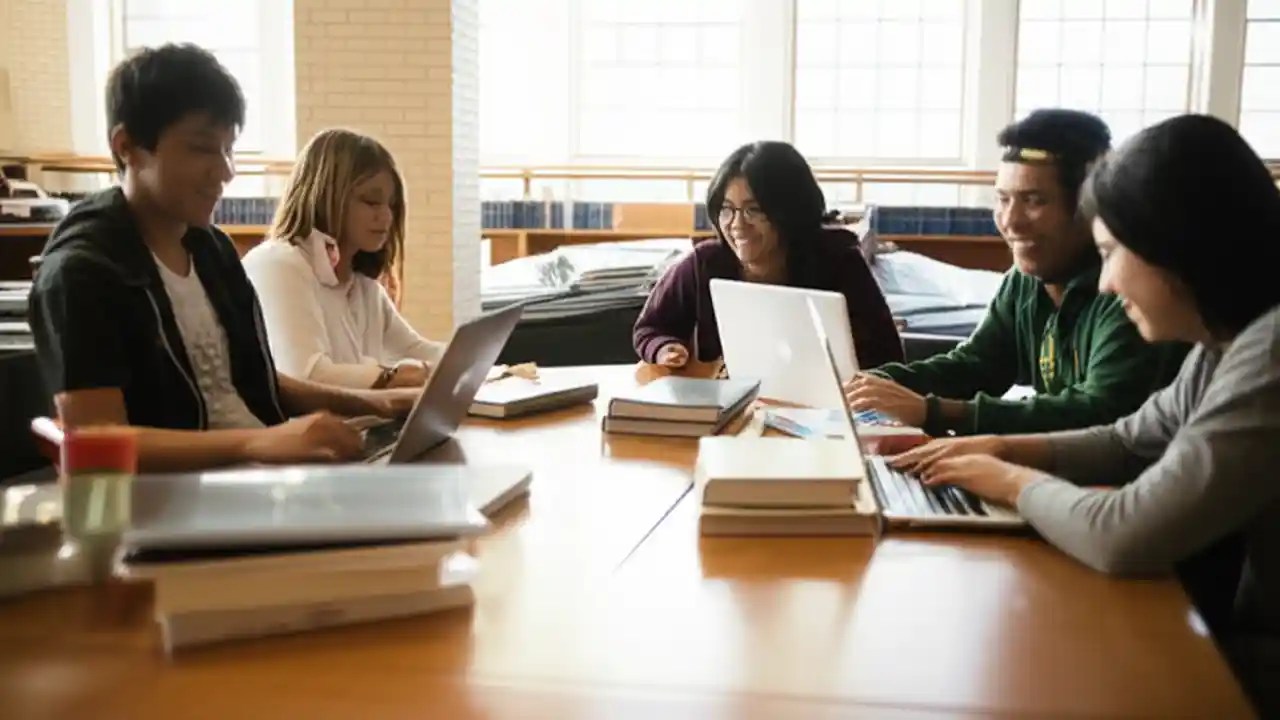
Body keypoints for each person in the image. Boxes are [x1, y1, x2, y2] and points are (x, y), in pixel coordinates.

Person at [891, 115, 1280, 715]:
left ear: (1179, 249)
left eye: (1110, 253)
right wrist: (1000, 446)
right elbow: (1130, 439)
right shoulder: (1223, 343)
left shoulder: (1270, 353)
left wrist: (1010, 482)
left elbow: (1126, 533)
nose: (1104, 283)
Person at [28, 44, 416, 472]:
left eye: (229, 150)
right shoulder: (84, 272)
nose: (226, 170)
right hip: (179, 504)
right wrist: (257, 443)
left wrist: (380, 403)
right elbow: (96, 443)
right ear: (128, 147)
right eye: (202, 149)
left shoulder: (211, 250)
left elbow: (256, 382)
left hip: (255, 480)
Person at [846, 110, 1186, 436]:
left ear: (1088, 204)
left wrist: (933, 410)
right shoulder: (1025, 280)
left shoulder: (1127, 291)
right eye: (1003, 199)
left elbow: (1100, 411)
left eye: (1034, 200)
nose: (1010, 221)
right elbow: (978, 365)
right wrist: (867, 385)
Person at [632, 141, 903, 370]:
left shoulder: (839, 261)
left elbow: (888, 356)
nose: (737, 224)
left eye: (754, 210)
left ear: (790, 211)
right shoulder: (705, 263)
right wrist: (664, 349)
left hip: (824, 412)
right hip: (729, 407)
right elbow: (649, 328)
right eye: (727, 209)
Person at [242, 128, 444, 390]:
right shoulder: (278, 265)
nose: (386, 217)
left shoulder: (365, 288)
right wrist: (391, 377)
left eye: (391, 205)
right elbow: (306, 374)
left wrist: (498, 369)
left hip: (359, 427)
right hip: (303, 430)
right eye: (371, 202)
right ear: (327, 195)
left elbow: (420, 351)